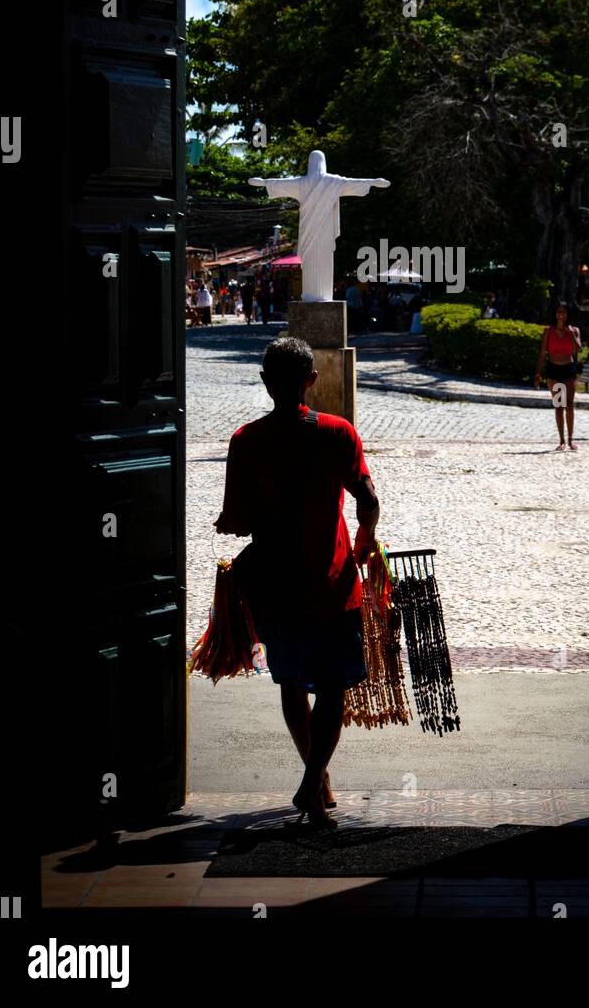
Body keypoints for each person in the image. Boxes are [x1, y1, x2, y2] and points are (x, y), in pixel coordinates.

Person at [214, 337, 380, 831]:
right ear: (312, 380)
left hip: (275, 586)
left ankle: (317, 779)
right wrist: (365, 543)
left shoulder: (246, 440)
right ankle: (315, 780)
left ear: (265, 383)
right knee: (333, 688)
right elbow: (367, 501)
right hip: (332, 582)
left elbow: (237, 520)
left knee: (291, 683)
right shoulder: (337, 432)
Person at [534, 300, 582, 450]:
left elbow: (578, 349)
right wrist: (538, 373)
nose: (561, 315)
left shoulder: (574, 330)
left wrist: (570, 334)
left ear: (568, 314)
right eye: (559, 312)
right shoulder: (548, 331)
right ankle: (561, 441)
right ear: (555, 314)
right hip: (553, 370)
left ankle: (570, 439)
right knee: (559, 406)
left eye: (564, 312)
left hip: (569, 370)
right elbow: (543, 353)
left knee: (569, 405)